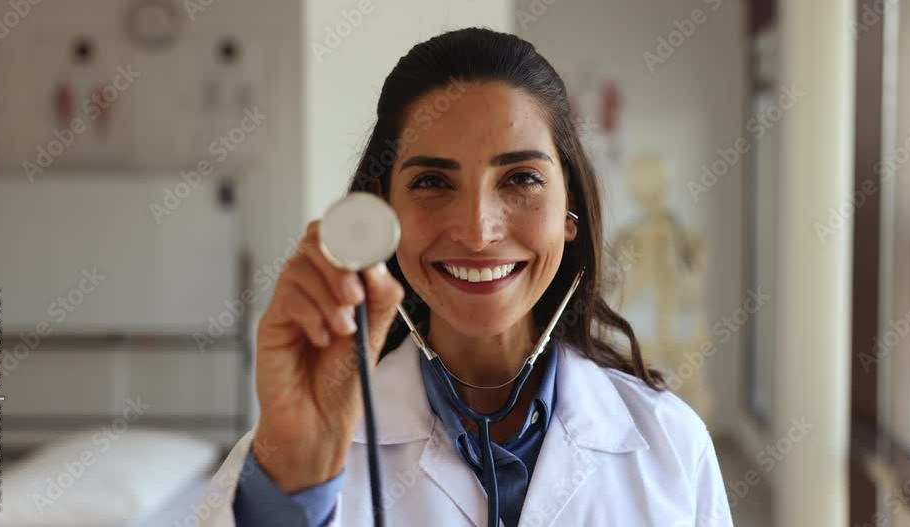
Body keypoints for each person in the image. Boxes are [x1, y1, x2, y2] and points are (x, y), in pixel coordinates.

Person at [201, 27, 733, 526]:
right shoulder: (288, 463)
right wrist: (294, 490)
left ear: (569, 205)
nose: (478, 231)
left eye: (521, 178)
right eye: (432, 180)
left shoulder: (671, 445)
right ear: (384, 208)